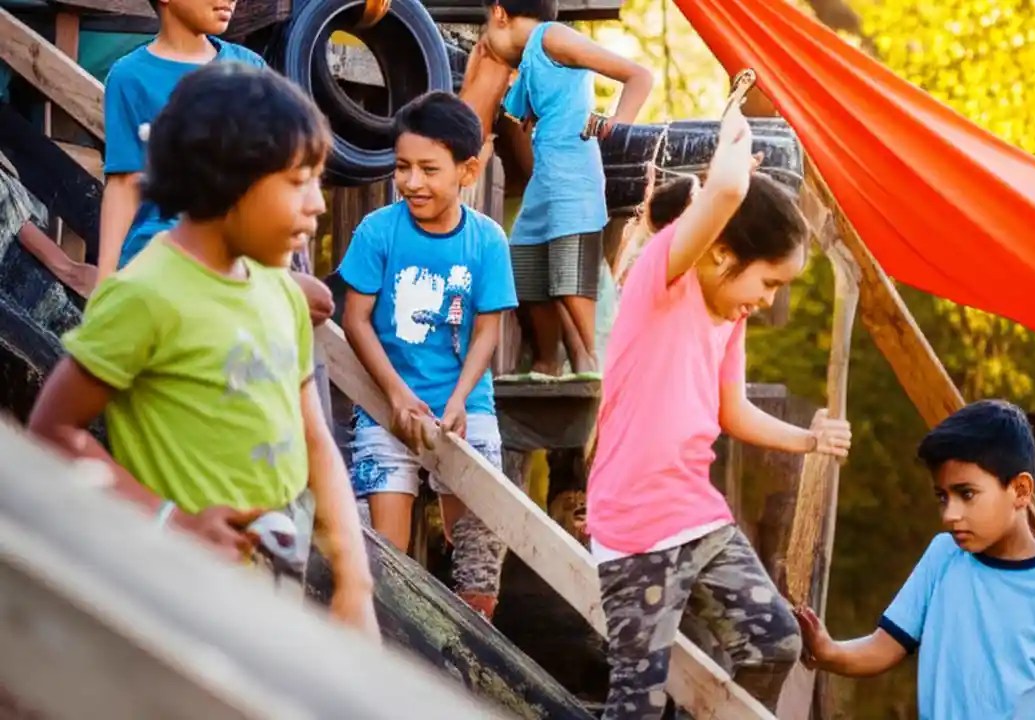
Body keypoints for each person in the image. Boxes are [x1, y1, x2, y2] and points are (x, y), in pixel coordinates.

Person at [26, 64, 377, 636]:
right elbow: (51, 430)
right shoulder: (144, 295)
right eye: (299, 181)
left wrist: (355, 582)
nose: (318, 204)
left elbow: (317, 441)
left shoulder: (279, 294)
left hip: (269, 588)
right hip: (171, 598)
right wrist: (174, 523)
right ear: (228, 180)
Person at [586, 103, 852, 719]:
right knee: (637, 699)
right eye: (768, 283)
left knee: (774, 643)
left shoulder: (727, 321)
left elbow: (732, 411)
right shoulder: (664, 277)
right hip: (637, 526)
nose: (766, 300)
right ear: (723, 250)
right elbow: (729, 185)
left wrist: (807, 442)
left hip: (698, 517)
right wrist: (737, 124)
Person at [794, 400, 1035, 719]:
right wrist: (829, 652)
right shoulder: (942, 557)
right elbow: (884, 646)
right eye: (943, 497)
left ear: (1021, 490)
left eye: (966, 494)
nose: (950, 514)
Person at [338, 91, 519, 621]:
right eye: (402, 167)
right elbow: (355, 320)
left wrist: (460, 400)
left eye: (428, 169)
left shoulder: (487, 240)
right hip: (385, 404)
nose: (413, 182)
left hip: (466, 408)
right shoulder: (378, 231)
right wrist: (395, 394)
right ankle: (386, 655)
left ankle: (471, 662)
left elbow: (487, 331)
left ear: (467, 170)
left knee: (478, 557)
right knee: (385, 563)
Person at [96, 0, 334, 324]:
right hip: (161, 252)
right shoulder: (128, 77)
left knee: (318, 301)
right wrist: (104, 281)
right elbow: (124, 183)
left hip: (239, 249)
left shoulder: (249, 68)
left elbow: (272, 177)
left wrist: (277, 268)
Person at [482, 0, 653, 379]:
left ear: (499, 13)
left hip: (573, 173)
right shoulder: (529, 60)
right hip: (546, 175)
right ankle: (549, 361)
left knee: (569, 274)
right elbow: (518, 117)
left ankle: (598, 360)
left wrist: (616, 126)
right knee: (526, 262)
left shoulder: (552, 37)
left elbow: (639, 76)